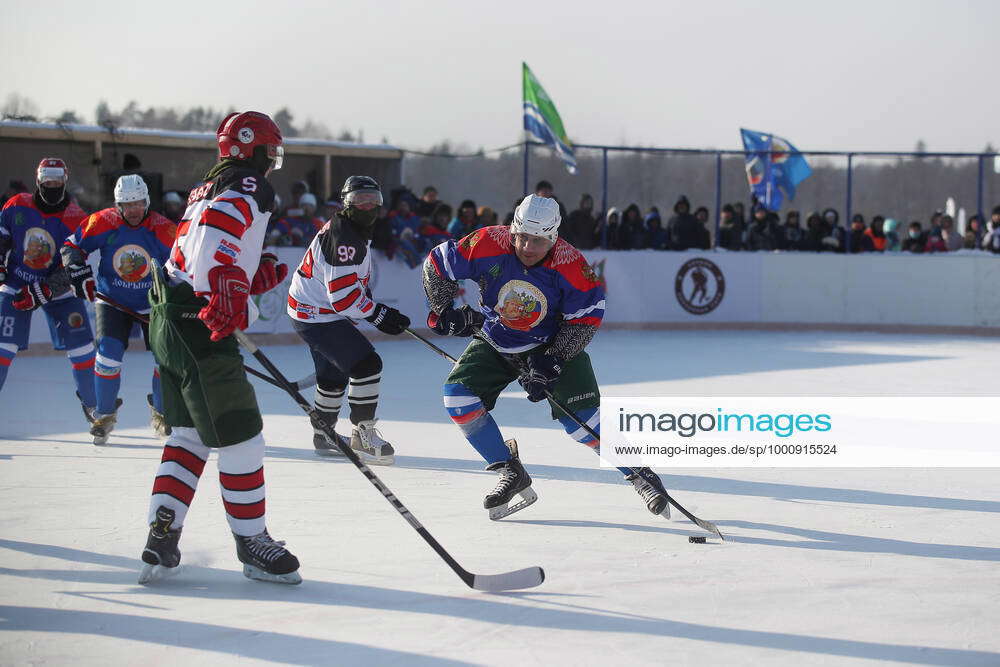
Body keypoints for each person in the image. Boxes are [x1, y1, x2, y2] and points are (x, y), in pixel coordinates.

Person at [422, 194, 671, 521]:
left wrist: (553, 359)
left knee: (581, 423)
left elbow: (586, 319)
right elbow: (438, 262)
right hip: (499, 337)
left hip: (552, 344)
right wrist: (443, 310)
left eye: (537, 241)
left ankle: (640, 474)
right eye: (522, 236)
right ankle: (510, 471)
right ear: (513, 229)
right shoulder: (488, 242)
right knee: (458, 398)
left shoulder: (571, 264)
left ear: (553, 238)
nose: (527, 246)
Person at [138, 111, 300, 585]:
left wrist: (241, 279)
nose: (272, 161)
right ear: (252, 150)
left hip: (171, 317)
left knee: (188, 436)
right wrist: (226, 285)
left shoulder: (209, 185)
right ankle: (252, 543)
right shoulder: (249, 185)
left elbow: (201, 245)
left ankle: (161, 534)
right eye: (269, 151)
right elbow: (217, 242)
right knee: (243, 438)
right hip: (198, 326)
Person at [286, 175, 410, 464]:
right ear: (346, 203)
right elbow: (342, 299)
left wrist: (369, 308)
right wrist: (380, 314)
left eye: (373, 200)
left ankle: (324, 433)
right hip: (317, 314)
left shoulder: (352, 228)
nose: (367, 206)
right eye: (359, 200)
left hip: (311, 309)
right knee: (367, 365)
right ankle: (363, 434)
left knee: (334, 374)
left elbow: (348, 290)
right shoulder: (346, 237)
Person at [61, 175, 176, 444]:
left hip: (153, 303)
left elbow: (182, 262)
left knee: (166, 361)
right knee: (108, 356)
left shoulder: (163, 228)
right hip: (113, 300)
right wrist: (76, 270)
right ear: (118, 205)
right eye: (127, 205)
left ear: (147, 202)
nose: (133, 210)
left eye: (138, 203)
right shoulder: (103, 221)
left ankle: (162, 411)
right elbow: (72, 246)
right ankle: (103, 415)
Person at [0, 158, 97, 421]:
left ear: (65, 180)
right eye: (47, 181)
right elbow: (1, 239)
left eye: (56, 181)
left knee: (83, 348)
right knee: (2, 348)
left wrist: (46, 288)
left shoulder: (78, 218)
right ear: (38, 180)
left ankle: (93, 406)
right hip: (18, 283)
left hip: (58, 289)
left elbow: (76, 267)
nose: (51, 185)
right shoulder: (17, 204)